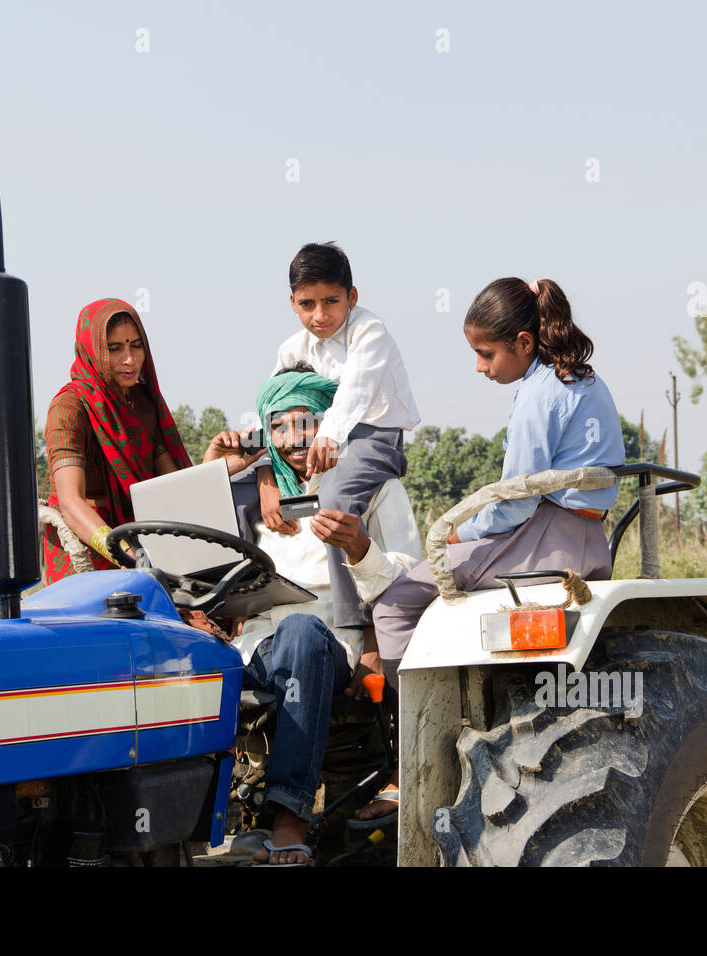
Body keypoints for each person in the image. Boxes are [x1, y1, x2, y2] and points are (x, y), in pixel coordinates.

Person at [360, 276, 625, 822]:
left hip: (543, 537)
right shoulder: (581, 378)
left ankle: (412, 759)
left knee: (392, 603)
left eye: (485, 354)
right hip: (585, 539)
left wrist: (458, 530)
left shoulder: (536, 392)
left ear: (524, 343)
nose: (480, 367)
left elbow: (513, 501)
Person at [203, 367, 424, 865]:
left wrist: (361, 547)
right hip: (257, 645)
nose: (292, 439)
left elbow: (409, 579)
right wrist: (213, 467)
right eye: (279, 427)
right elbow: (198, 564)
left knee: (302, 629)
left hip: (332, 642)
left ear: (331, 424)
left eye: (305, 424)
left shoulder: (371, 486)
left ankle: (289, 820)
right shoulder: (247, 494)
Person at [249, 242, 421, 633]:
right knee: (239, 487)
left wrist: (327, 434)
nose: (320, 315)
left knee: (333, 504)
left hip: (372, 439)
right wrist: (264, 472)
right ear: (292, 302)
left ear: (352, 297)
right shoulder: (291, 348)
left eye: (331, 302)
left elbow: (355, 390)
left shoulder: (369, 331)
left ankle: (354, 622)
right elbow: (274, 408)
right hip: (318, 440)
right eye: (308, 304)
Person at [42, 298, 193, 579]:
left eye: (136, 346)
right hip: (86, 556)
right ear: (92, 350)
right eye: (114, 349)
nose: (130, 360)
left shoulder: (144, 404)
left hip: (145, 548)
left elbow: (171, 486)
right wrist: (121, 550)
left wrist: (218, 465)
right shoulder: (69, 408)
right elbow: (70, 503)